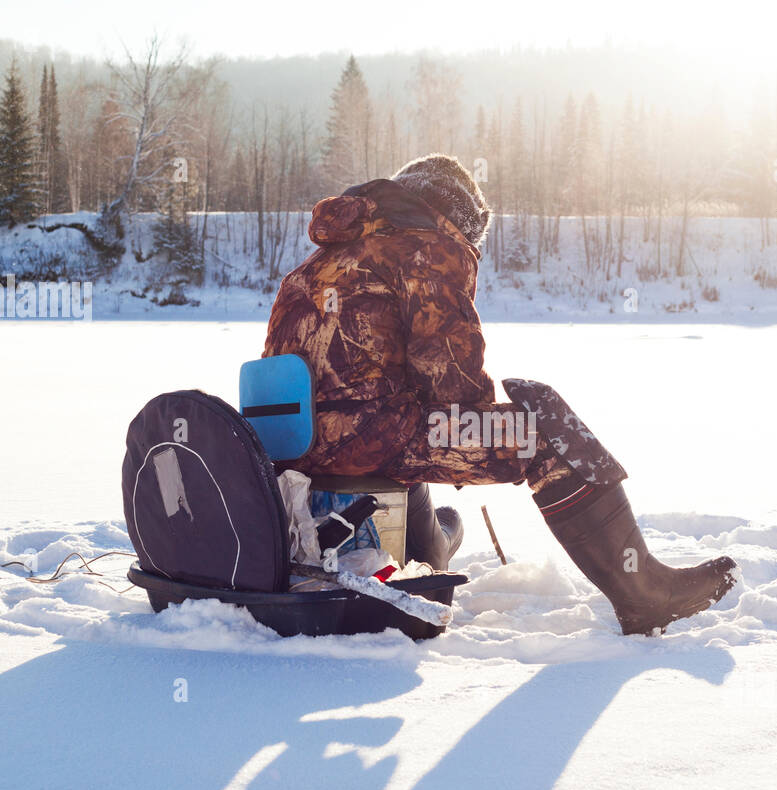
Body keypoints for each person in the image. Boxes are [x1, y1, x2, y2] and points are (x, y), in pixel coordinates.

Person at [262, 154, 736, 634]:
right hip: (368, 438)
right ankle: (645, 593)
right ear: (458, 220)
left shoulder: (321, 259)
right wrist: (489, 415)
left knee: (399, 425)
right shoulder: (430, 245)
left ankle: (429, 549)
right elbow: (454, 392)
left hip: (296, 448)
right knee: (545, 435)